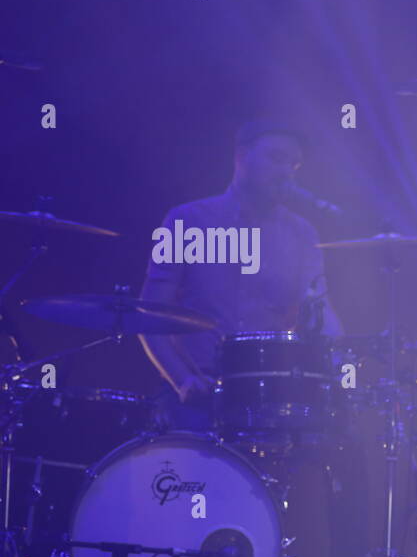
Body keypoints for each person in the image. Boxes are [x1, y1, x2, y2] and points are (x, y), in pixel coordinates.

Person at [139, 119, 343, 421]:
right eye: (276, 158)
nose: (286, 171)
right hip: (197, 392)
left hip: (269, 395)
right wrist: (182, 380)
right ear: (241, 156)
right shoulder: (186, 220)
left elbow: (321, 310)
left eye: (294, 165)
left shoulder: (302, 233)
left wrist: (341, 358)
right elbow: (148, 317)